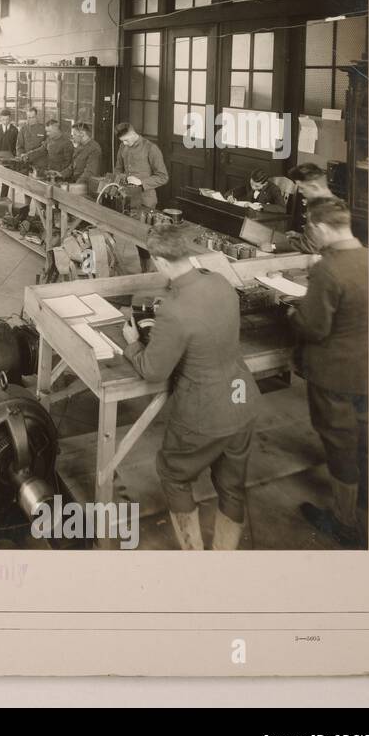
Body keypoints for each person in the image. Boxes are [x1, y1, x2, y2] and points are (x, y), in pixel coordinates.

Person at [120, 223, 261, 550]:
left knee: (173, 475)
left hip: (203, 411)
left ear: (160, 261)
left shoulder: (174, 310)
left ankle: (195, 558)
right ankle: (223, 555)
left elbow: (153, 370)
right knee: (231, 485)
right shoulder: (221, 282)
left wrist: (132, 344)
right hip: (242, 399)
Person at [289, 198, 369, 547]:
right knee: (363, 438)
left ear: (320, 228)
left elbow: (314, 328)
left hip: (332, 374)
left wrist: (294, 314)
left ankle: (344, 522)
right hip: (368, 370)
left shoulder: (327, 269)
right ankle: (366, 498)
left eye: (311, 229)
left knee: (339, 443)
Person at [113, 121, 169, 211]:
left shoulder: (151, 148)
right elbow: (118, 169)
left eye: (126, 140)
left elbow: (163, 177)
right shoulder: (122, 147)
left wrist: (141, 182)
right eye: (122, 141)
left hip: (145, 201)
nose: (124, 143)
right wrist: (120, 178)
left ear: (133, 133)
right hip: (125, 197)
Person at [285, 162, 337, 252]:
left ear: (314, 187)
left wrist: (274, 246)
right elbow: (319, 238)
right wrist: (299, 235)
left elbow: (311, 246)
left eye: (302, 188)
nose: (300, 191)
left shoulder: (323, 209)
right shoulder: (329, 202)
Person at [63, 121, 102, 186]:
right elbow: (73, 166)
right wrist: (61, 174)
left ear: (82, 134)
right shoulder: (80, 146)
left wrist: (75, 185)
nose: (73, 137)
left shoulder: (94, 148)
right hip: (77, 183)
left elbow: (90, 172)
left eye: (74, 134)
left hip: (87, 186)